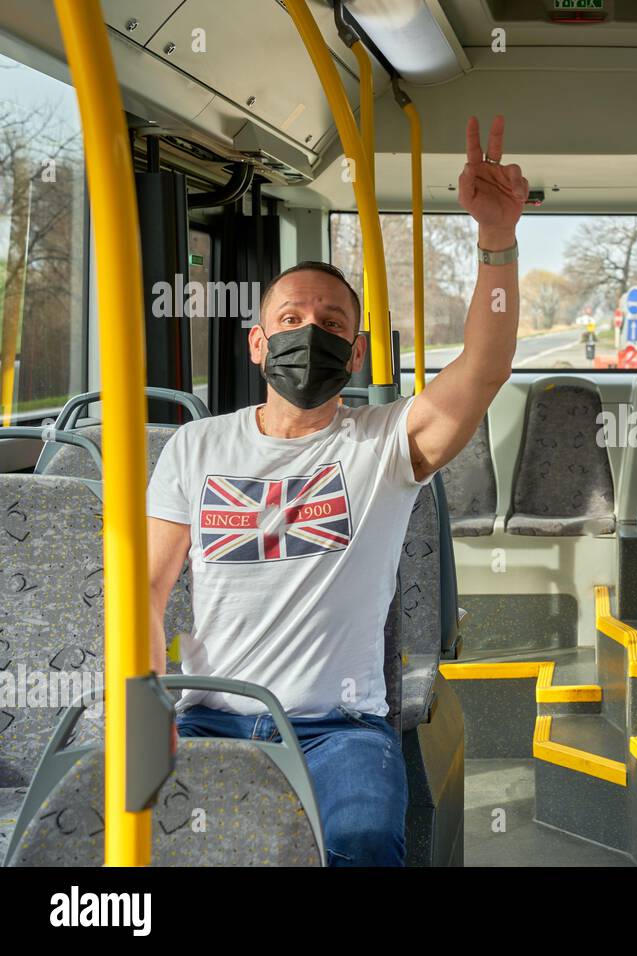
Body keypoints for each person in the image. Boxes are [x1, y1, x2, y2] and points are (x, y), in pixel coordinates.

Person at [145, 115, 527, 866]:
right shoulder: (196, 447)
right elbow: (148, 588)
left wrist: (497, 245)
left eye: (330, 323)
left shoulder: (384, 444)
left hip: (340, 727)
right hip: (210, 714)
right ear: (257, 343)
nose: (307, 333)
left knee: (357, 846)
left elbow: (484, 369)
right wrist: (145, 702)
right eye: (290, 320)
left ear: (353, 353)